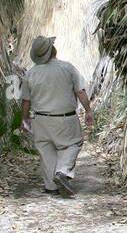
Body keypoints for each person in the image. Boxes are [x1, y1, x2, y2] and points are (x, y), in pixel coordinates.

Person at [20, 36, 92, 196]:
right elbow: (80, 92)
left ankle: (51, 187)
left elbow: (26, 101)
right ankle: (63, 171)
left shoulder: (30, 74)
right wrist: (88, 110)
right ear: (53, 50)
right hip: (65, 119)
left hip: (40, 120)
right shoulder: (67, 68)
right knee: (73, 144)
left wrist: (24, 119)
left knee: (46, 151)